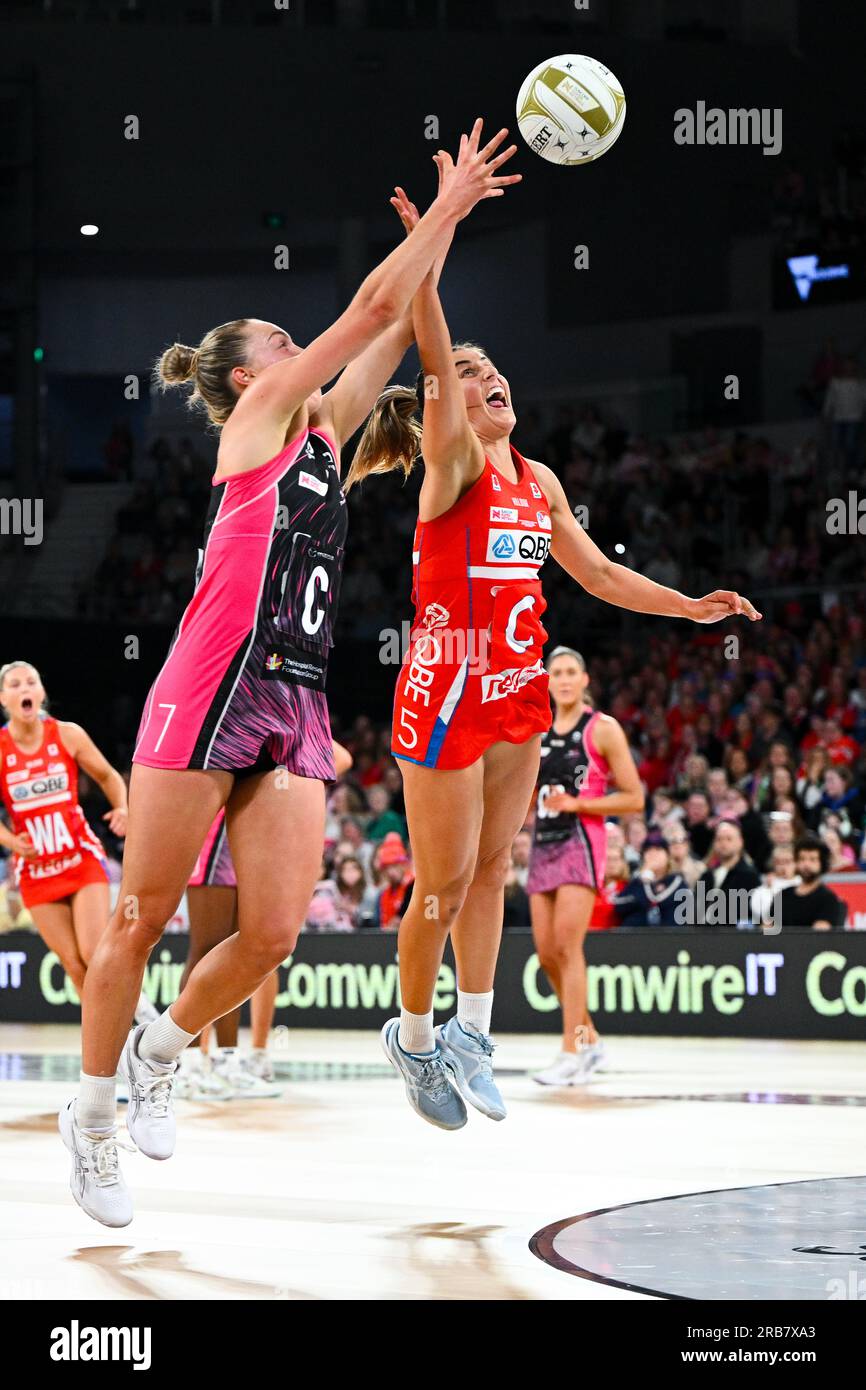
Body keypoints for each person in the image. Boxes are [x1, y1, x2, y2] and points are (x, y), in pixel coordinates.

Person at [59, 122, 514, 1227]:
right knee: (139, 919)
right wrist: (451, 205)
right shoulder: (260, 421)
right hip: (207, 683)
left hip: (293, 693)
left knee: (269, 933)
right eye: (276, 335)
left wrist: (434, 242)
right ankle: (90, 1117)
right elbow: (364, 313)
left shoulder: (322, 434)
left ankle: (160, 1051)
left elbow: (394, 330)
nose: (293, 342)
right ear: (244, 375)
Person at [349, 149, 760, 1129]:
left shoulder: (538, 480)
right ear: (448, 397)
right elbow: (427, 345)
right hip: (446, 682)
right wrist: (432, 243)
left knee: (492, 870)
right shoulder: (447, 463)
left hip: (517, 686)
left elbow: (600, 575)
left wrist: (689, 607)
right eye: (471, 375)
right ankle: (411, 1037)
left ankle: (473, 1035)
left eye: (497, 374)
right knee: (440, 886)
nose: (489, 382)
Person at [0, 661, 155, 1026]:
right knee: (72, 962)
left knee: (93, 951)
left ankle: (141, 1014)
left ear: (41, 693)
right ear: (4, 698)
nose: (25, 688)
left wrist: (123, 807)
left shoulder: (67, 734)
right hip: (36, 870)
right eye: (15, 684)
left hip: (79, 859)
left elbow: (107, 775)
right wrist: (9, 839)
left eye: (31, 682)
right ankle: (113, 1044)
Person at [527, 647, 643, 1086]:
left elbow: (633, 797)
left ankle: (571, 1050)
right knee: (545, 953)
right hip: (542, 843)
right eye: (556, 672)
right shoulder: (537, 728)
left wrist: (580, 803)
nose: (563, 678)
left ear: (585, 678)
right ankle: (590, 1038)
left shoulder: (603, 729)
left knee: (566, 946)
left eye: (571, 671)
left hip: (581, 842)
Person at [613, 832, 691, 928]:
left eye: (658, 849)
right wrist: (644, 878)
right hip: (636, 938)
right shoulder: (637, 882)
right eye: (648, 850)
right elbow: (620, 907)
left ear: (667, 856)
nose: (653, 854)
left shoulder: (677, 882)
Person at [695, 820, 761, 929]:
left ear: (740, 842)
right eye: (719, 839)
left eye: (729, 839)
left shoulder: (749, 876)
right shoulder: (707, 876)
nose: (723, 843)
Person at [774, 834, 847, 930]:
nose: (806, 864)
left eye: (813, 859)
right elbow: (766, 929)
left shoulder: (828, 899)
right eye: (802, 859)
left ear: (822, 863)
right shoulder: (783, 895)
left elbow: (818, 935)